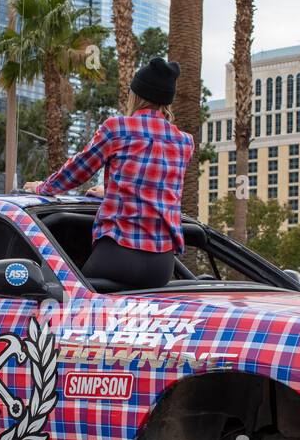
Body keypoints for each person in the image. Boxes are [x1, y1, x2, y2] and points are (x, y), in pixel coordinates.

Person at [25, 57, 193, 290]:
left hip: (119, 252)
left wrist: (43, 188)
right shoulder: (184, 141)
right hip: (162, 263)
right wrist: (113, 189)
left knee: (69, 304)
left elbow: (78, 171)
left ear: (136, 95)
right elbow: (158, 187)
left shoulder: (118, 128)